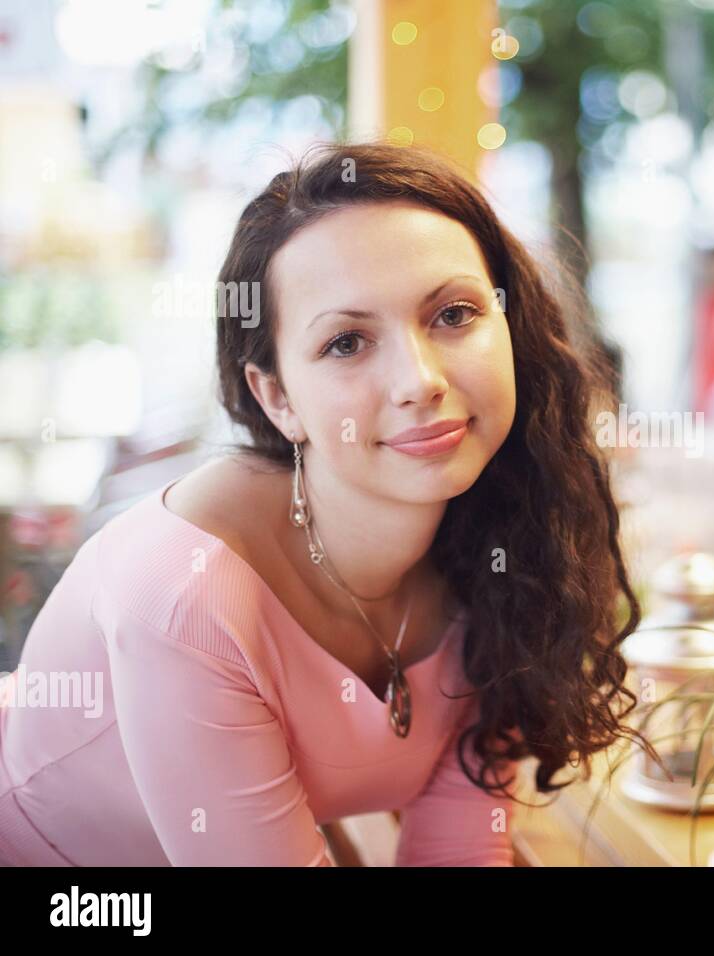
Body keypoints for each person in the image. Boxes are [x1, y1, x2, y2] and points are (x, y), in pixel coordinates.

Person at [0, 142, 653, 866]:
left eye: (454, 314)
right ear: (277, 399)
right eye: (347, 342)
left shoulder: (505, 548)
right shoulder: (187, 593)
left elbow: (460, 851)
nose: (419, 380)